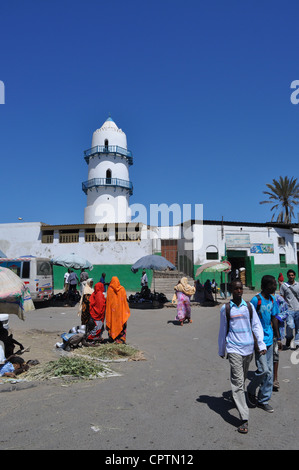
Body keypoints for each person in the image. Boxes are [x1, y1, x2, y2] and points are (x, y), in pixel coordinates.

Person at [218, 280, 266, 434]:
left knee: (242, 378)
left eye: (240, 288)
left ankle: (236, 397)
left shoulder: (249, 307)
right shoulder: (225, 308)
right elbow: (223, 330)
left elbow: (256, 326)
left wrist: (261, 344)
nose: (239, 291)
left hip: (248, 348)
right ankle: (244, 418)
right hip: (234, 348)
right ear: (231, 290)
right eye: (236, 288)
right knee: (239, 382)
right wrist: (222, 349)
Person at [247, 275, 281, 413]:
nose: (275, 286)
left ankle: (263, 400)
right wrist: (255, 342)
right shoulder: (256, 300)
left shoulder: (273, 299)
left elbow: (274, 318)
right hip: (259, 341)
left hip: (270, 339)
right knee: (263, 370)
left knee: (270, 372)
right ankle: (250, 390)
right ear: (266, 286)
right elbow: (250, 321)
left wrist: (278, 337)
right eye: (273, 284)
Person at [105, 276, 130, 343]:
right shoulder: (122, 289)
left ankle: (112, 338)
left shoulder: (110, 290)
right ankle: (121, 339)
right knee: (121, 323)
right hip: (121, 312)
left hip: (112, 313)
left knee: (112, 323)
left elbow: (108, 302)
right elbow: (125, 300)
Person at [279, 269, 299, 349]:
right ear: (287, 276)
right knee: (290, 326)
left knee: (298, 328)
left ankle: (297, 343)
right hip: (289, 310)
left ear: (294, 276)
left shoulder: (298, 285)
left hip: (298, 309)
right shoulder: (284, 286)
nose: (291, 277)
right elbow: (281, 297)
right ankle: (289, 337)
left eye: (292, 275)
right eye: (289, 275)